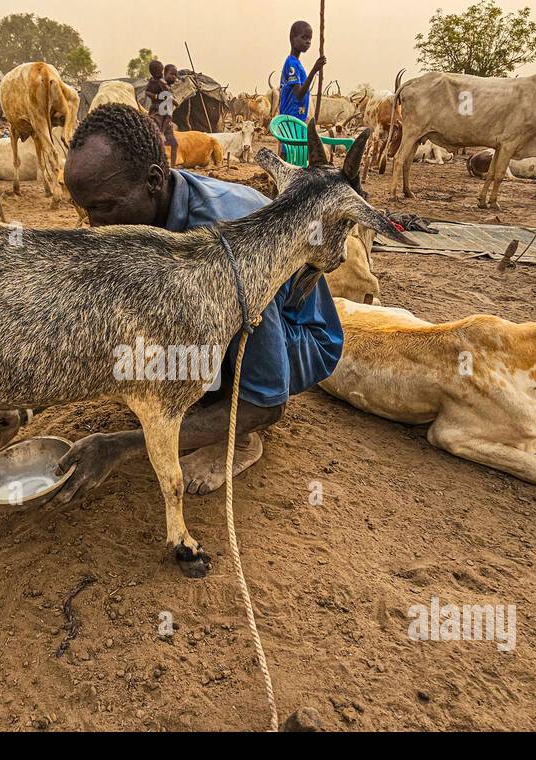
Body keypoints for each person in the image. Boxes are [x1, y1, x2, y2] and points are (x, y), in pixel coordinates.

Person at [50, 103, 343, 503]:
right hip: (233, 319)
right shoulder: (148, 208)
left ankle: (238, 439)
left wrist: (119, 444)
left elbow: (267, 403)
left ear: (154, 181)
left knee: (205, 317)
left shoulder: (225, 241)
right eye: (86, 211)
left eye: (103, 208)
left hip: (302, 338)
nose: (95, 227)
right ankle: (202, 400)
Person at [278, 20, 327, 123]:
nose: (308, 41)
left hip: (298, 118)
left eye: (310, 38)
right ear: (292, 39)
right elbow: (299, 94)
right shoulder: (292, 64)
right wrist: (314, 70)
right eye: (304, 37)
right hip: (290, 119)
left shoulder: (297, 64)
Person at [144, 60, 178, 166]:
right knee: (158, 142)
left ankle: (172, 168)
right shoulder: (160, 83)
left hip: (165, 120)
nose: (174, 77)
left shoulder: (161, 84)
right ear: (164, 73)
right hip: (159, 117)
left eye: (175, 75)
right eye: (171, 74)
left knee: (174, 144)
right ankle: (157, 165)